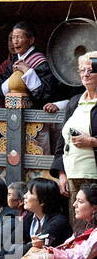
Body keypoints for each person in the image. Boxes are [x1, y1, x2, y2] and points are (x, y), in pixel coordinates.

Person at [49, 51, 97, 217]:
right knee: (77, 225)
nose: (86, 74)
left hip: (93, 174)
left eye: (91, 70)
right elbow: (62, 142)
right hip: (73, 174)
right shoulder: (75, 101)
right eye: (82, 70)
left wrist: (92, 141)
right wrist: (61, 173)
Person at [0, 21, 54, 108]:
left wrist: (28, 72)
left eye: (19, 37)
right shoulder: (14, 61)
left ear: (31, 40)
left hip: (36, 114)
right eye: (13, 38)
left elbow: (45, 95)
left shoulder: (41, 62)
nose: (15, 42)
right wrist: (14, 76)